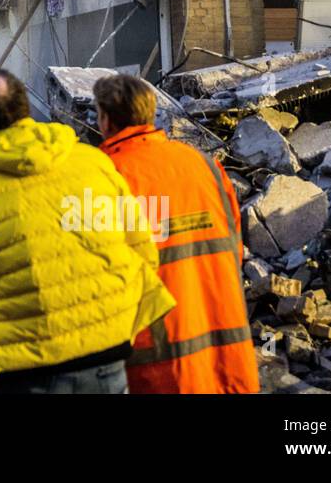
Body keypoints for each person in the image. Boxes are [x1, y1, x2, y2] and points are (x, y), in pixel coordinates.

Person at [0, 65, 175, 394]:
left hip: (25, 371)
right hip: (107, 359)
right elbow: (143, 253)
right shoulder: (92, 162)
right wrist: (123, 327)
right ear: (25, 106)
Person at [93, 73, 259, 394]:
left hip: (160, 371)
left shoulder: (106, 178)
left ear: (106, 119)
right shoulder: (204, 165)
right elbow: (234, 250)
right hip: (228, 362)